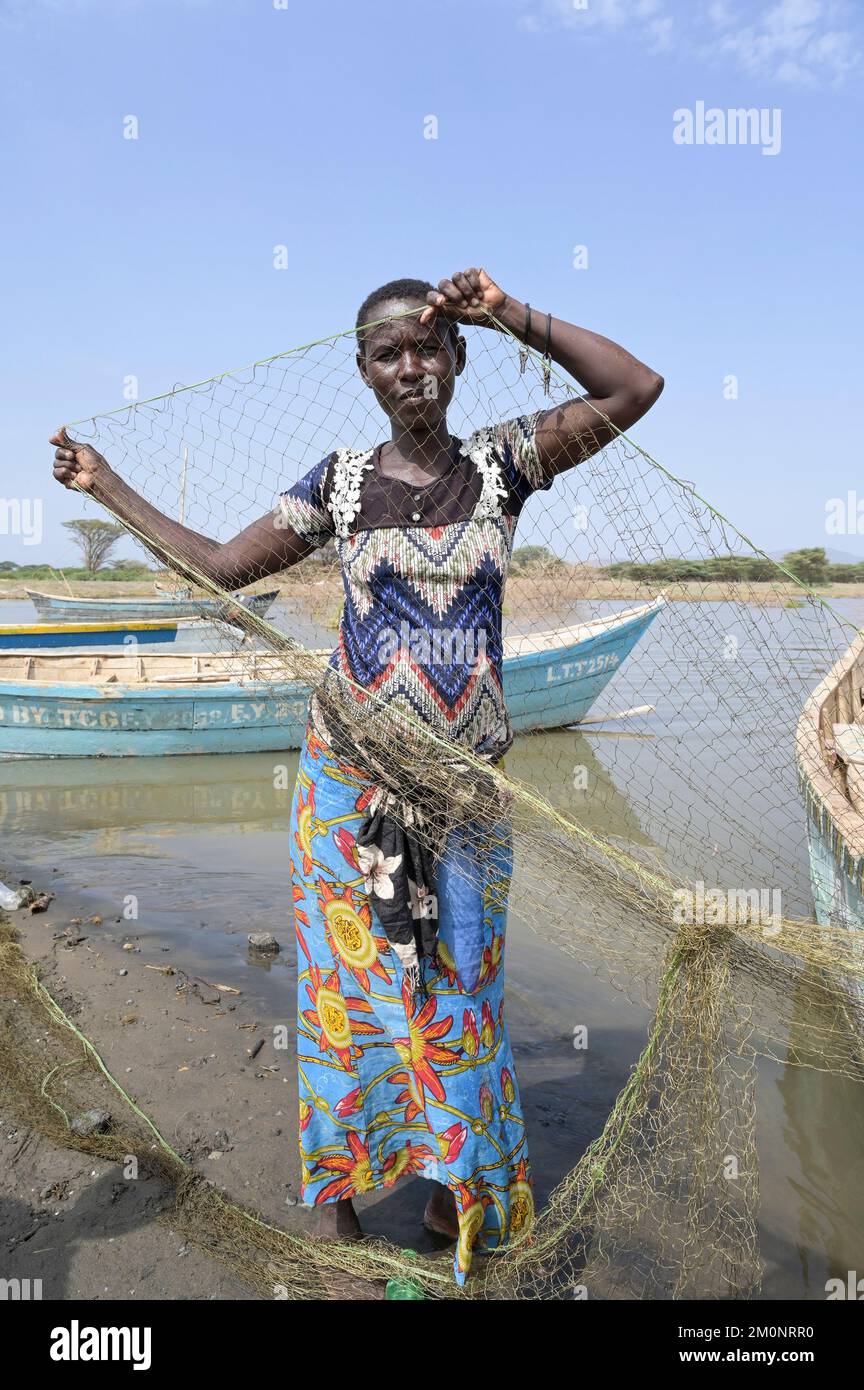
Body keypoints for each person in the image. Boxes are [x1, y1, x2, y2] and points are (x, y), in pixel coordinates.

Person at [52, 267, 663, 1283]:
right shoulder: (336, 484)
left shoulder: (501, 464)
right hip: (346, 794)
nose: (411, 366)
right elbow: (219, 565)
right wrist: (106, 485)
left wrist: (508, 310)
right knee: (348, 993)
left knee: (457, 996)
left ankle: (446, 1196)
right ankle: (335, 1202)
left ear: (458, 358)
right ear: (366, 372)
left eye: (427, 347)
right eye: (389, 353)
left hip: (463, 801)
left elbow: (633, 388)